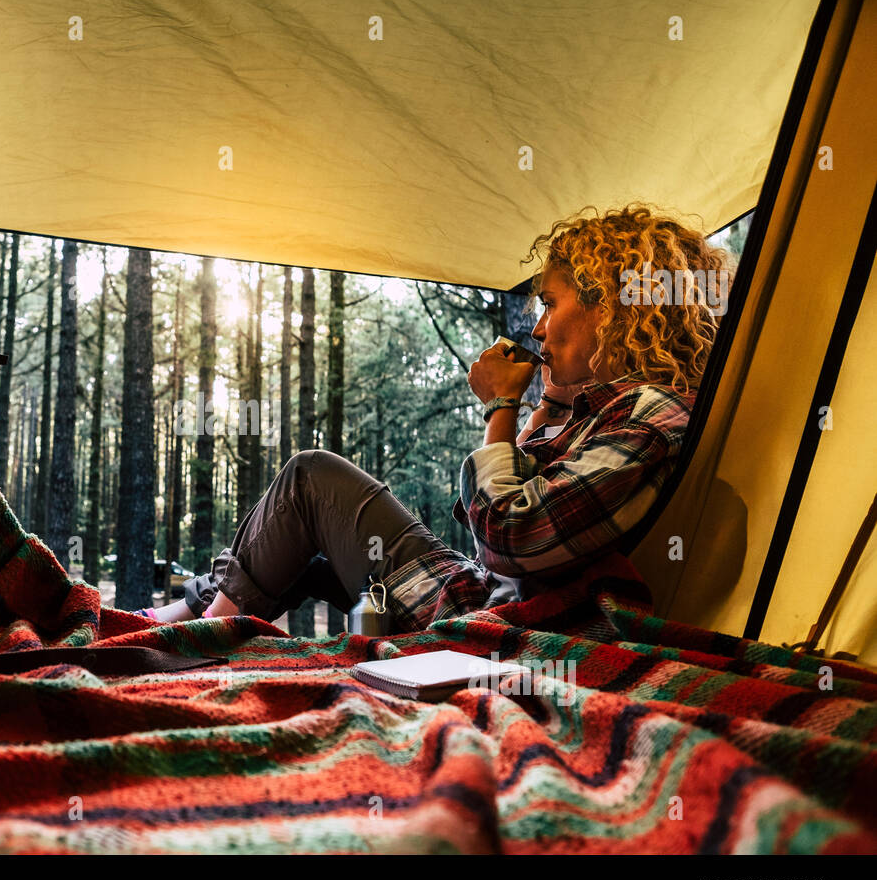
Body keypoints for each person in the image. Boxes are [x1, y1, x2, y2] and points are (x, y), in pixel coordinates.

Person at [135, 204, 725, 631]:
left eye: (549, 302)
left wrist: (501, 406)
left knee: (312, 476)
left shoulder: (651, 414)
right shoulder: (606, 411)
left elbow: (505, 532)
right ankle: (195, 610)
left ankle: (199, 632)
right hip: (484, 591)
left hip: (491, 614)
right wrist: (549, 403)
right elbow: (497, 512)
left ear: (612, 306)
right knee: (310, 546)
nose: (538, 327)